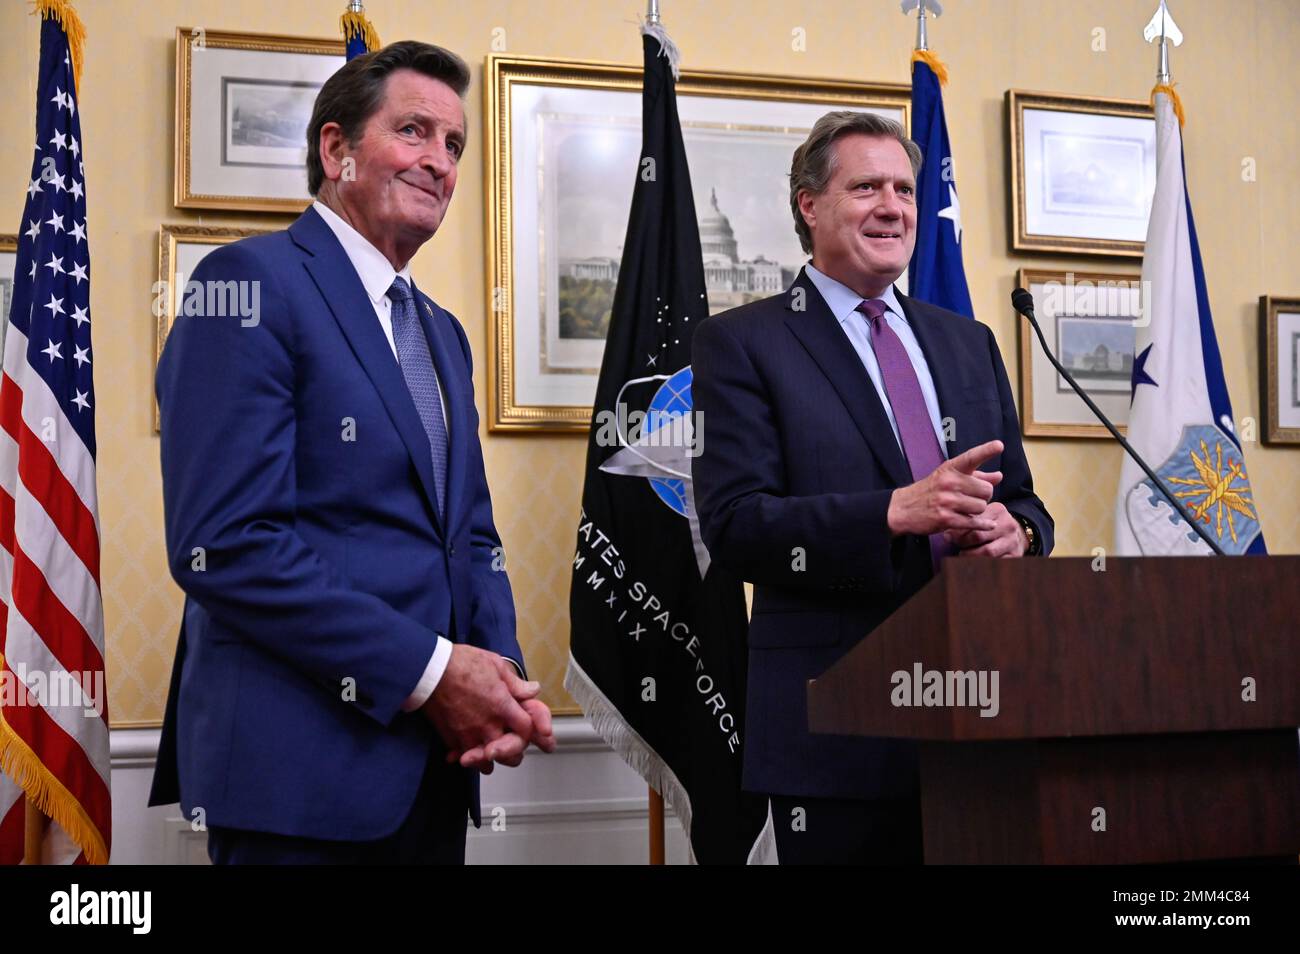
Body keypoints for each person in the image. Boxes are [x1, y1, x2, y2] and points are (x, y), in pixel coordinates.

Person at [148, 41, 554, 865]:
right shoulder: (248, 285)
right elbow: (226, 547)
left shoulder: (442, 333)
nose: (439, 162)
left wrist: (498, 681)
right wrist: (438, 674)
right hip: (299, 783)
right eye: (413, 132)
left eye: (454, 146)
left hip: (437, 772)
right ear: (336, 150)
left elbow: (468, 536)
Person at [691, 111, 1053, 865]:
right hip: (839, 732)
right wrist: (893, 512)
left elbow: (1024, 501)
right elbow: (736, 524)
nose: (893, 207)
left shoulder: (968, 342)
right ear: (809, 205)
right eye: (866, 187)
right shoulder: (743, 344)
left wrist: (1017, 534)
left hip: (985, 717)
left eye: (905, 190)